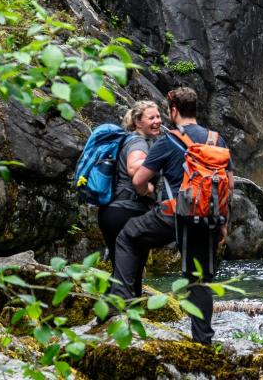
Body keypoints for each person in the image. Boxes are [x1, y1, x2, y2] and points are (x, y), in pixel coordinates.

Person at [109, 87, 232, 344]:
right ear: (195, 109)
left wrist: (148, 191)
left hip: (173, 214)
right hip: (207, 217)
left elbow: (140, 180)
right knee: (199, 280)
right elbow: (228, 186)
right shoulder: (216, 140)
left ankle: (118, 312)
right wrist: (223, 223)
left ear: (173, 110)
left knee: (128, 236)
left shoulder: (168, 140)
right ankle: (203, 341)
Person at [97, 100, 161, 289]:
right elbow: (135, 169)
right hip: (126, 213)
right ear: (138, 122)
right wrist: (148, 189)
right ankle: (122, 315)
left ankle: (116, 313)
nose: (157, 120)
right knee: (130, 273)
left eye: (158, 116)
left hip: (113, 212)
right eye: (151, 117)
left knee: (123, 271)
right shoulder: (138, 142)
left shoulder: (132, 140)